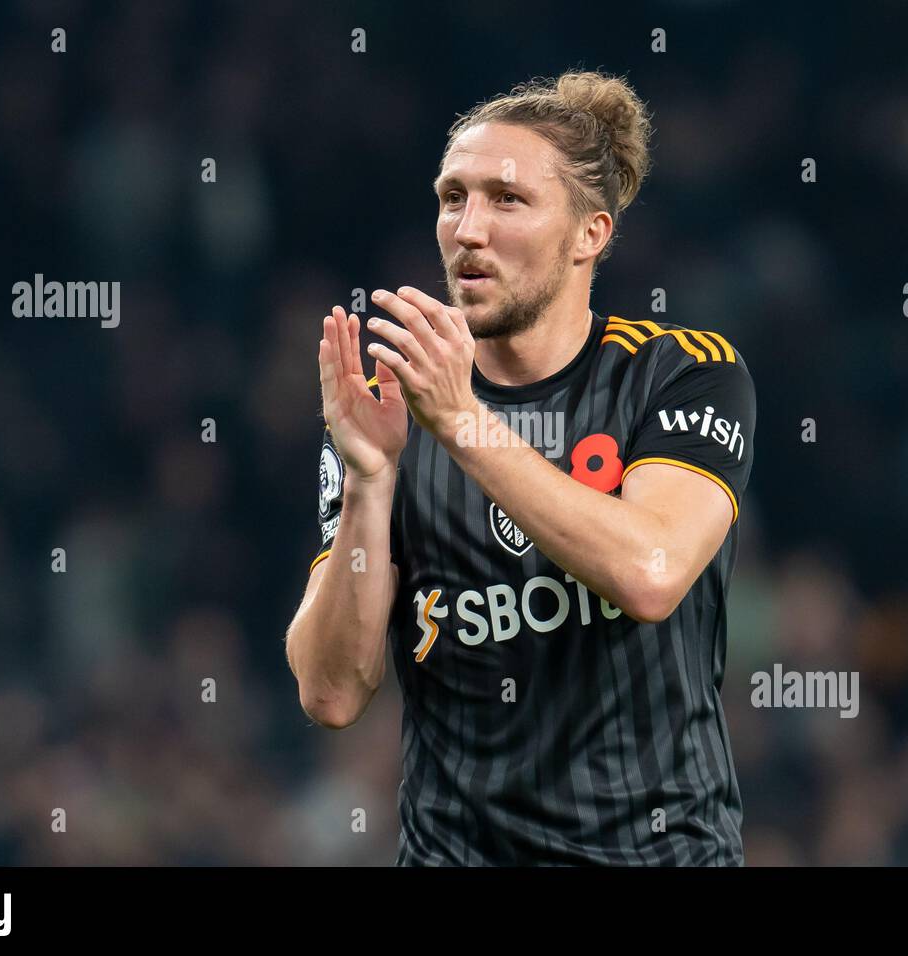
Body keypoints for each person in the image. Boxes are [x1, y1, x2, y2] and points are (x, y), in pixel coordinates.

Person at [286, 70, 756, 865]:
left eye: (507, 200)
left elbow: (651, 571)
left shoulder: (680, 374)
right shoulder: (388, 413)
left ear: (590, 234)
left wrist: (465, 422)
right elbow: (331, 693)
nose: (468, 229)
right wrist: (369, 479)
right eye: (452, 196)